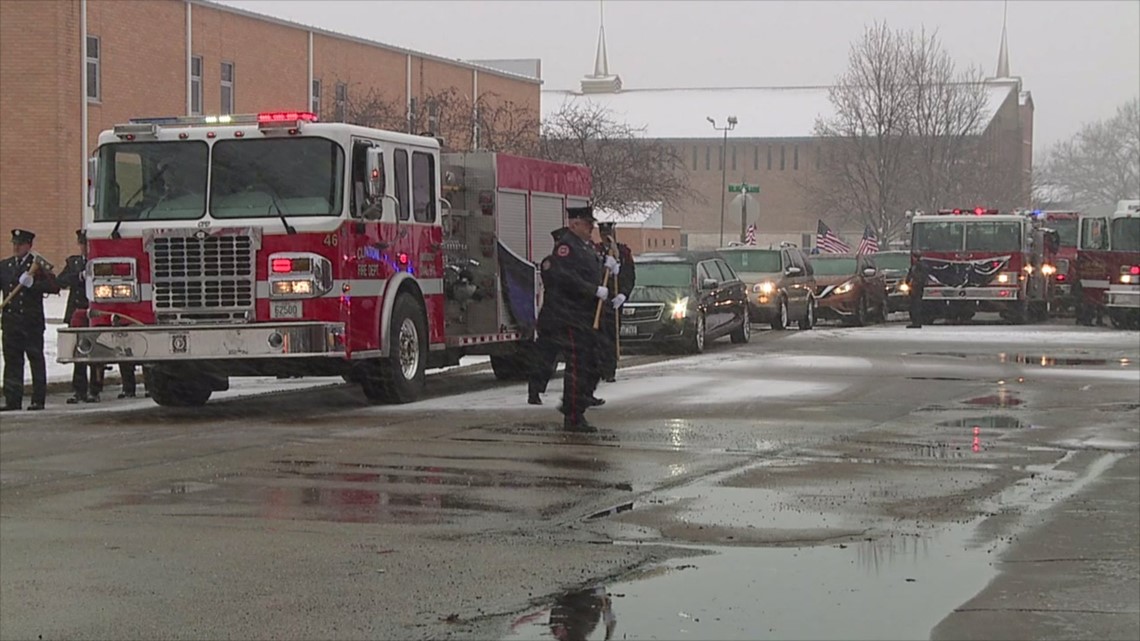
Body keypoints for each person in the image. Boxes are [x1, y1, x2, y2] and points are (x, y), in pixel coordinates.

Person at [536, 205, 607, 432]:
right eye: (588, 224)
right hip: (570, 315)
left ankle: (576, 405)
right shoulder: (566, 247)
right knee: (578, 365)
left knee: (592, 363)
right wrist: (593, 290)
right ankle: (573, 415)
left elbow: (587, 270)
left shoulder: (584, 246)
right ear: (574, 224)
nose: (591, 228)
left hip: (584, 316)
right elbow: (564, 278)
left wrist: (606, 265)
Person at [1, 229, 61, 411]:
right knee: (12, 362)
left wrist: (34, 284)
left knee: (35, 360)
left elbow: (54, 286)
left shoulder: (37, 266)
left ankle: (38, 399)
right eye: (14, 244)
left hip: (30, 323)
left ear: (28, 245)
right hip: (11, 323)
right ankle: (12, 400)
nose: (16, 247)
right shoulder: (5, 265)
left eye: (20, 244)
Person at [58, 229, 105, 403]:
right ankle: (79, 390)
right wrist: (79, 276)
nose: (85, 247)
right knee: (78, 352)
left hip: (94, 311)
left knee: (96, 353)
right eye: (83, 244)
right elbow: (60, 281)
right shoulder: (73, 262)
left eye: (87, 244)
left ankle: (95, 389)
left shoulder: (100, 261)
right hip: (77, 311)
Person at [590, 222, 635, 390]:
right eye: (603, 234)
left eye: (609, 233)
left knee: (611, 336)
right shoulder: (595, 250)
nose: (606, 237)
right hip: (598, 300)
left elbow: (629, 276)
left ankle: (610, 371)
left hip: (614, 300)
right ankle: (598, 369)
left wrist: (623, 294)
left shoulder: (623, 252)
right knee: (597, 337)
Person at [528, 227, 570, 406]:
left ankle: (580, 394)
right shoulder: (551, 263)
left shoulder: (572, 263)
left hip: (569, 317)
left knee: (577, 361)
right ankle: (535, 391)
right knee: (545, 359)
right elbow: (557, 281)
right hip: (554, 318)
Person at [905, 250, 930, 329]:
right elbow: (909, 276)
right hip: (912, 288)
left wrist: (915, 282)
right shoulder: (914, 266)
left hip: (917, 288)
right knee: (912, 305)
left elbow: (921, 277)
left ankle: (917, 322)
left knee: (916, 305)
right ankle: (914, 321)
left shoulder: (921, 266)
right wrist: (907, 281)